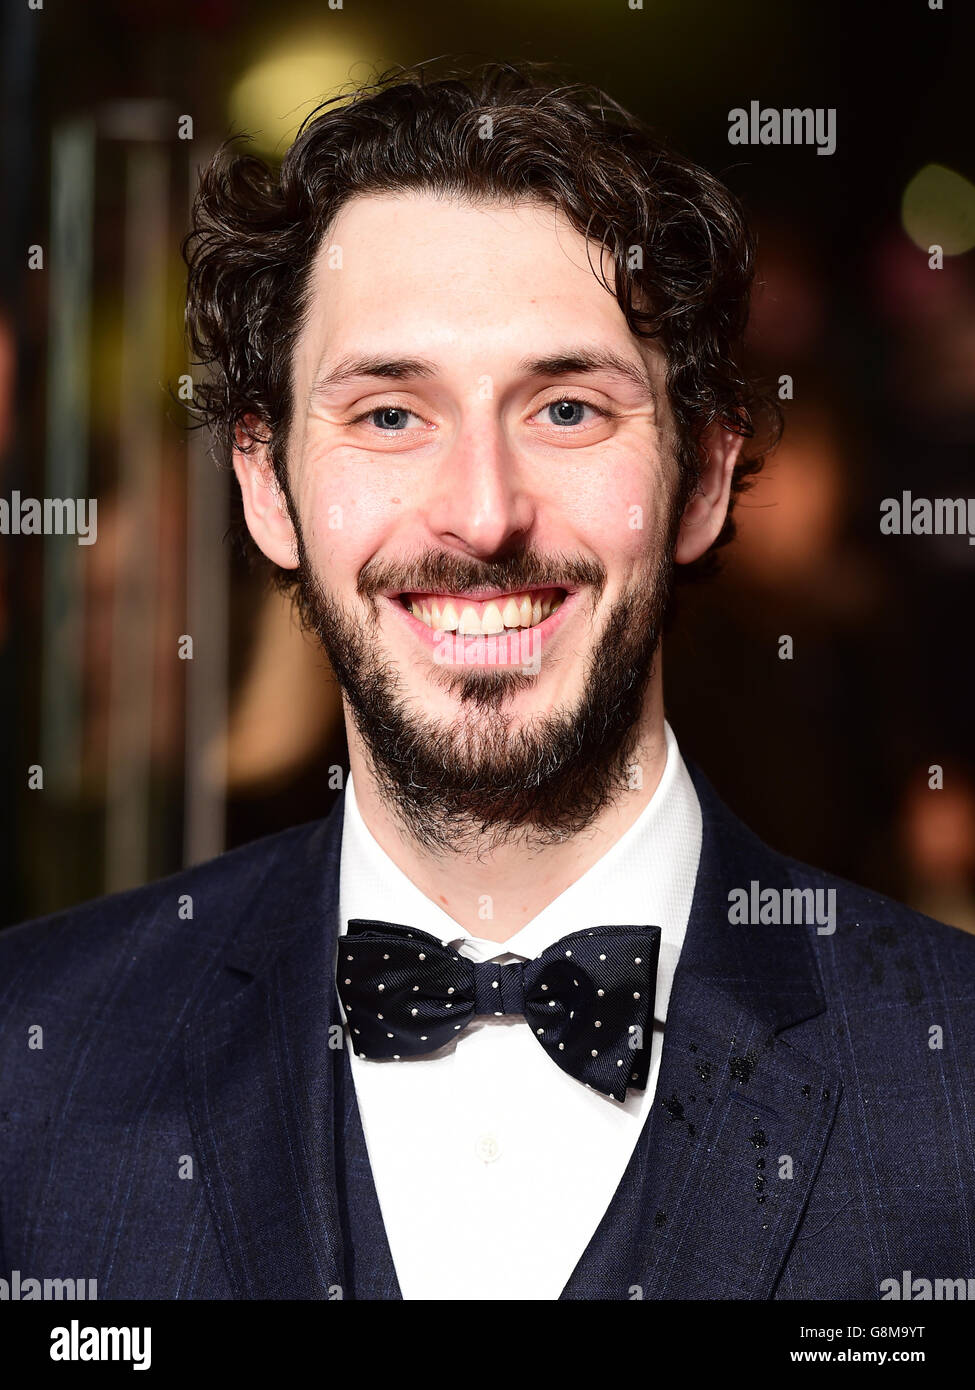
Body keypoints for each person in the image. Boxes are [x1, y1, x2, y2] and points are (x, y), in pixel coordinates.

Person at [2, 60, 973, 1302]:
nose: (480, 513)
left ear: (705, 478)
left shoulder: (951, 1092)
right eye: (390, 415)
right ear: (265, 486)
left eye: (566, 409)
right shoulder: (33, 1065)